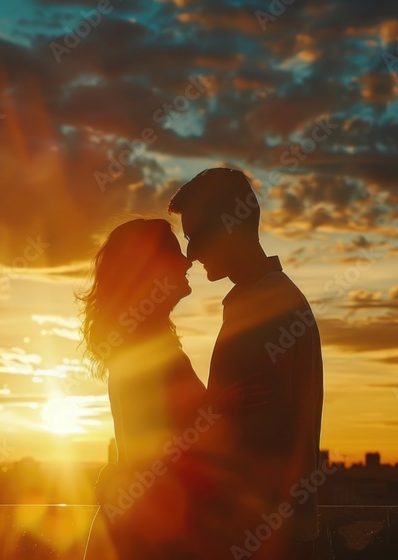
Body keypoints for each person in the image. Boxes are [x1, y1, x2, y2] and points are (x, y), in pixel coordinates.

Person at [79, 218, 267, 560]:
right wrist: (219, 407)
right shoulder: (142, 350)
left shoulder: (146, 343)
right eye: (176, 254)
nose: (187, 261)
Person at [168, 168, 324, 560]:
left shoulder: (264, 307)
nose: (191, 254)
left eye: (196, 237)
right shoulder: (270, 297)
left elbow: (247, 435)